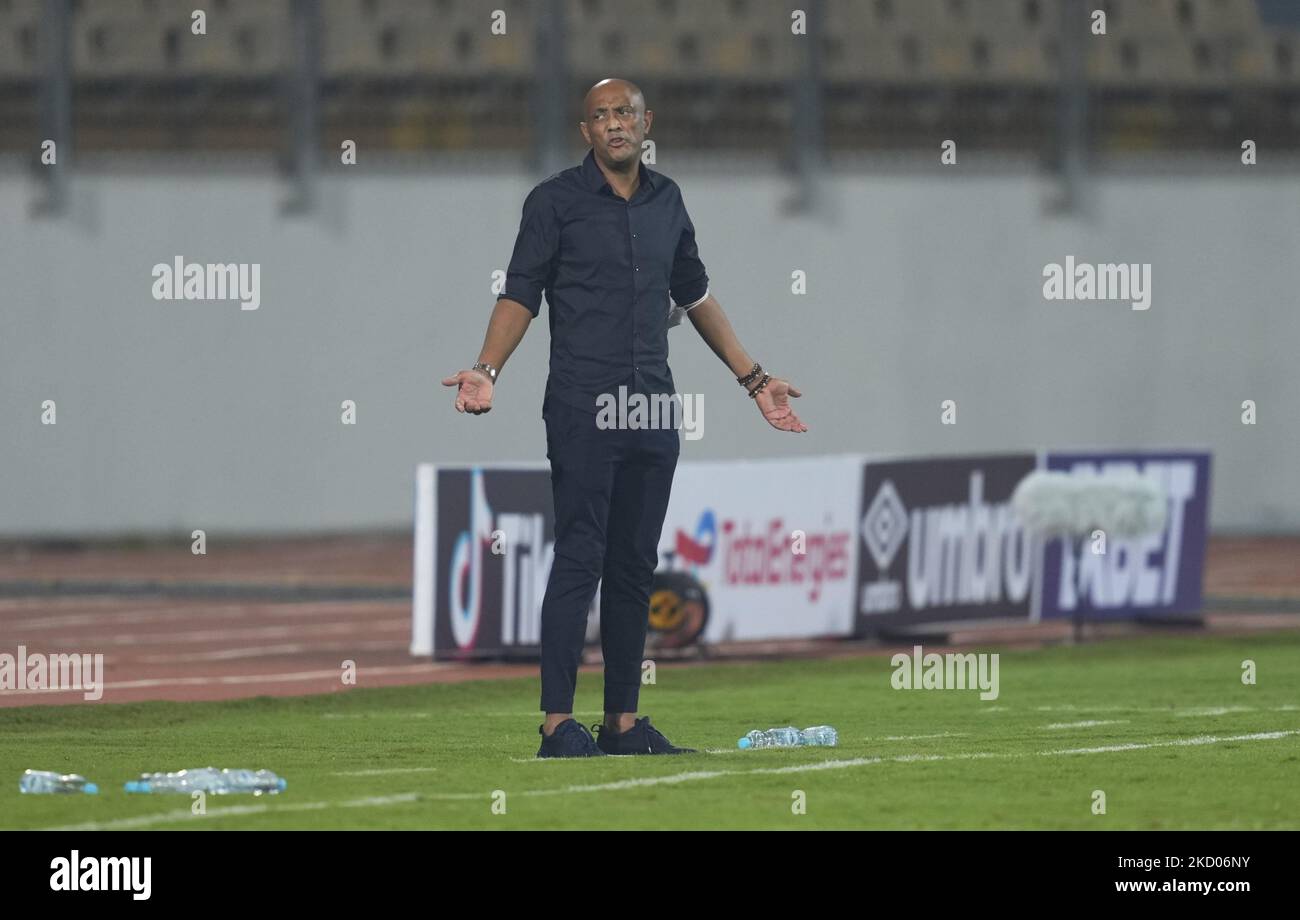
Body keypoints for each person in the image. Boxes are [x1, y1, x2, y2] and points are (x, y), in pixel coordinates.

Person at [442, 78, 807, 758]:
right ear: (586, 131)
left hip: (652, 406)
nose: (614, 124)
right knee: (580, 557)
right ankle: (557, 725)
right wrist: (486, 369)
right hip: (583, 405)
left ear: (646, 123)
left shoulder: (668, 201)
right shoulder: (553, 202)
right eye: (601, 115)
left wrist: (753, 379)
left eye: (625, 113)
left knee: (637, 564)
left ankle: (622, 723)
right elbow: (520, 293)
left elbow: (695, 296)